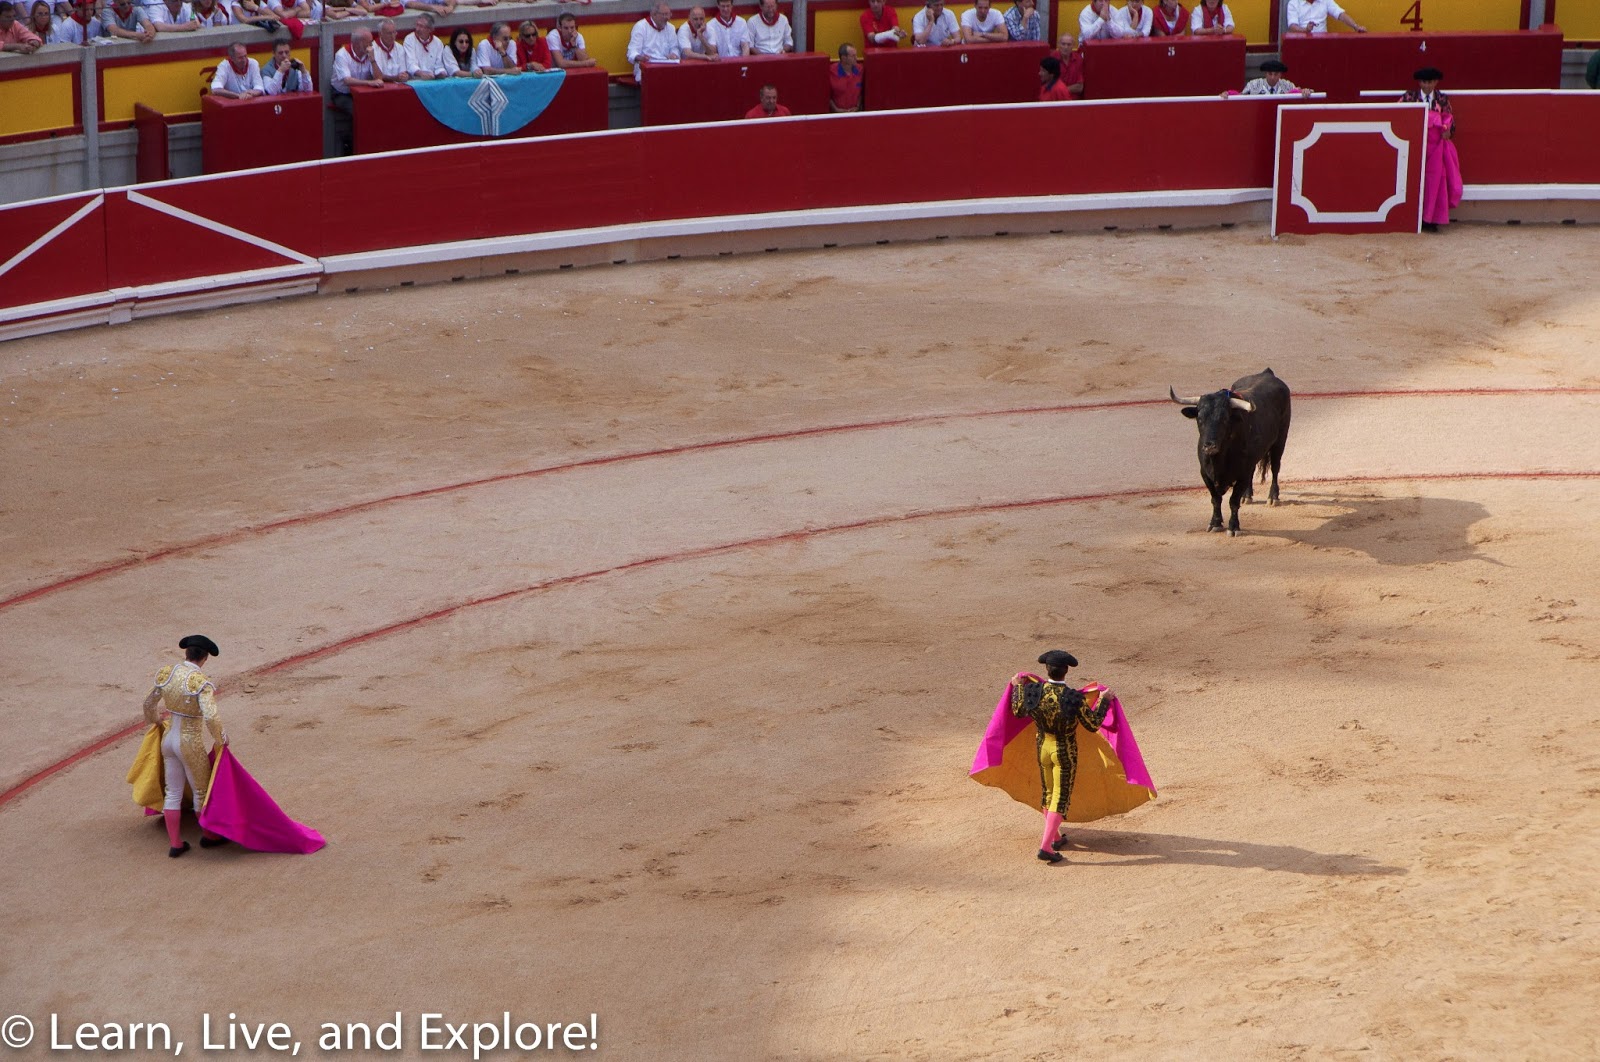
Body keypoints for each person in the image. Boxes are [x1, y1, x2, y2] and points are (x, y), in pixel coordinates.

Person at [970, 649, 1155, 863]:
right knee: (1060, 796)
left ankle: (1055, 836)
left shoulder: (1034, 692)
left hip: (1043, 747)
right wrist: (1104, 700)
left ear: (1047, 670)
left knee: (1048, 791)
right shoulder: (1073, 698)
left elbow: (1018, 710)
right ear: (1066, 671)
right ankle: (1046, 847)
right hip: (1064, 751)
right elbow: (1093, 723)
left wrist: (1018, 686)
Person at [139, 636, 230, 857]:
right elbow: (211, 716)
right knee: (201, 791)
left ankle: (176, 843)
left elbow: (148, 704)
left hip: (168, 740)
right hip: (189, 741)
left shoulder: (167, 673)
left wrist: (157, 722)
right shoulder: (200, 682)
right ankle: (209, 837)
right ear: (205, 658)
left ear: (186, 654)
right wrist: (220, 738)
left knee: (173, 791)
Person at [1402, 66, 1462, 232]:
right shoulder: (1409, 97)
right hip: (1415, 147)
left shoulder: (1442, 99)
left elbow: (1450, 121)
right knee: (1415, 180)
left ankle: (1431, 219)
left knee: (1436, 182)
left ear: (1435, 82)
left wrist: (1448, 131)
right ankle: (1416, 218)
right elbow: (1399, 117)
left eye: (1429, 82)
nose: (1426, 86)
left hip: (1436, 149)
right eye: (1423, 82)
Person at [331, 27, 382, 153]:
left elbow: (378, 77)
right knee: (359, 111)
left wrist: (373, 60)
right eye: (369, 42)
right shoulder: (342, 55)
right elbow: (347, 80)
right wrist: (369, 82)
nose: (371, 45)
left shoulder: (370, 54)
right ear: (359, 43)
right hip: (343, 94)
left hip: (364, 93)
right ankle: (352, 147)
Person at [626, 0, 680, 78]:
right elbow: (631, 52)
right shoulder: (641, 27)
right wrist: (641, 58)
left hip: (667, 68)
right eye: (664, 15)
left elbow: (675, 48)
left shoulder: (670, 28)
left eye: (669, 14)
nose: (667, 18)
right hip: (646, 70)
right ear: (654, 14)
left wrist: (674, 55)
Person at [403, 14, 457, 79]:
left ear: (430, 29)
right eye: (417, 25)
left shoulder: (438, 42)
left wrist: (441, 73)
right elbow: (410, 64)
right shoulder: (409, 39)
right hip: (415, 80)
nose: (417, 29)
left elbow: (439, 66)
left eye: (421, 26)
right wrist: (422, 73)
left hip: (433, 80)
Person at [1235, 58, 1308, 95]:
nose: (1272, 77)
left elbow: (1299, 93)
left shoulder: (1288, 85)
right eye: (1270, 74)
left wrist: (1304, 91)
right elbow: (1241, 97)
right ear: (1266, 74)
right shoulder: (1253, 85)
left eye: (1276, 74)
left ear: (1280, 75)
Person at [1286, 0, 1363, 33]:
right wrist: (1305, 30)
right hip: (1301, 42)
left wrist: (1355, 26)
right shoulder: (1293, 3)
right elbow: (1292, 26)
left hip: (1322, 41)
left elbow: (1340, 14)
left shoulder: (1325, 1)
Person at [829, 41, 863, 111]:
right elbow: (826, 95)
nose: (856, 58)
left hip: (856, 113)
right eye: (853, 56)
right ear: (844, 58)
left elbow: (862, 92)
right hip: (836, 114)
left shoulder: (860, 70)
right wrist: (836, 109)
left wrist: (857, 107)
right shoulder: (830, 71)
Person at [1050, 32, 1084, 96]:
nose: (1066, 47)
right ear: (1058, 45)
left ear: (1073, 46)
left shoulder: (1078, 59)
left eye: (1069, 44)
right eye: (1063, 44)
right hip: (1056, 99)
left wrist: (1061, 90)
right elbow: (1049, 85)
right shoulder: (1052, 58)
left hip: (1073, 102)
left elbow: (1080, 87)